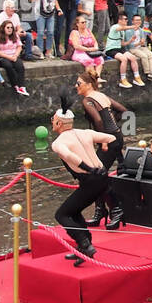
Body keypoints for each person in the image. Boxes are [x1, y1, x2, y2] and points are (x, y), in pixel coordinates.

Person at [49, 101, 115, 265]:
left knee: (61, 214)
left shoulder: (58, 143)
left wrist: (89, 169)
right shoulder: (85, 132)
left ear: (58, 123)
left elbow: (70, 156)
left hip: (91, 179)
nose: (51, 122)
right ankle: (84, 244)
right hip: (102, 176)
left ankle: (85, 244)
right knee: (74, 210)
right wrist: (103, 148)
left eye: (53, 120)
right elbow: (111, 137)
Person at [76, 65, 129, 230]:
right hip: (116, 137)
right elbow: (123, 110)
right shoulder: (101, 95)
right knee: (95, 175)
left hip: (108, 140)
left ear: (88, 84)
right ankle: (101, 211)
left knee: (95, 177)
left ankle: (117, 209)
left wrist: (103, 140)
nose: (76, 86)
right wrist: (115, 127)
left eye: (79, 83)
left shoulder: (88, 100)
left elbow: (98, 121)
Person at [104, 15, 144, 88]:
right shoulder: (115, 27)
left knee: (132, 57)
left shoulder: (122, 31)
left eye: (127, 19)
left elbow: (122, 43)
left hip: (119, 48)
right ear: (120, 20)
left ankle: (137, 76)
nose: (126, 21)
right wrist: (133, 26)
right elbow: (121, 28)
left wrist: (130, 41)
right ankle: (123, 79)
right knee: (124, 59)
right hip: (111, 49)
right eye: (125, 19)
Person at [0, 20, 30, 96]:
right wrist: (8, 57)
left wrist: (15, 55)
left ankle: (22, 86)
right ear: (3, 28)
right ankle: (15, 85)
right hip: (3, 56)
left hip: (13, 55)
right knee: (8, 66)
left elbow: (19, 47)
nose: (10, 29)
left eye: (11, 28)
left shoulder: (15, 35)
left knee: (20, 66)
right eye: (8, 27)